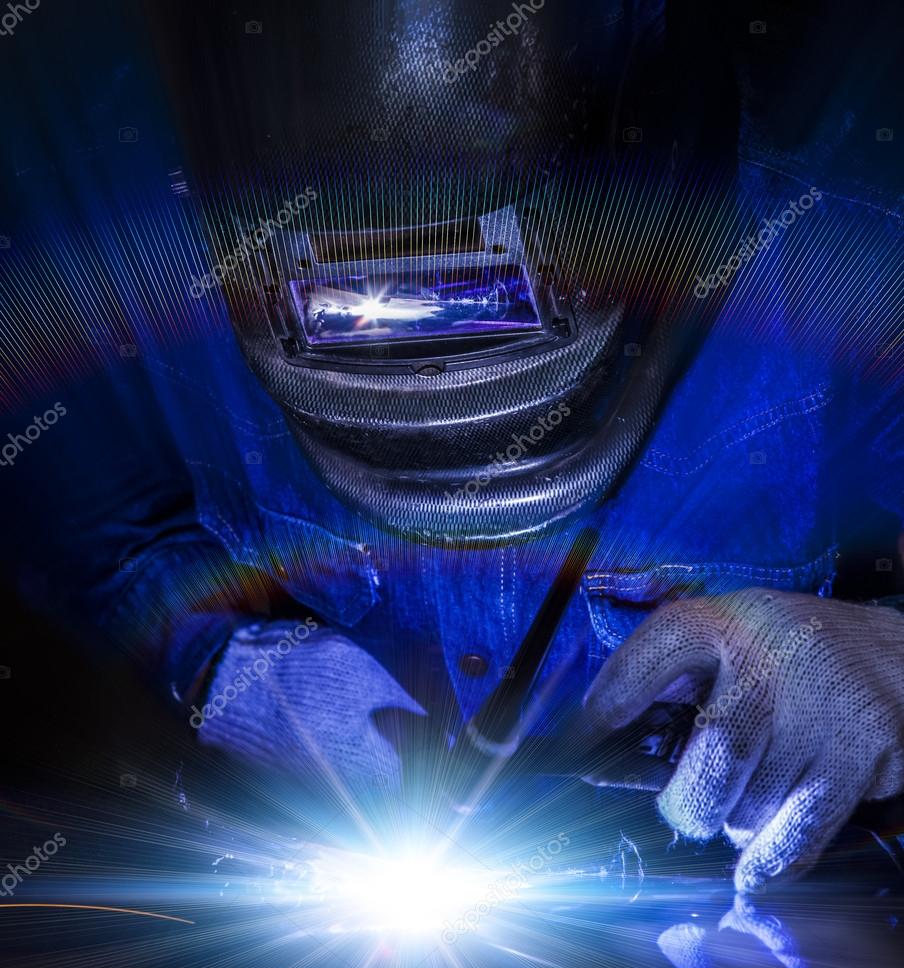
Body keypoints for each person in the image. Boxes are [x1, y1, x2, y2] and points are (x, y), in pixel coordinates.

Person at [0, 0, 902, 897]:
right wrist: (223, 663)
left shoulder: (857, 225)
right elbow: (87, 529)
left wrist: (886, 656)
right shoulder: (87, 207)